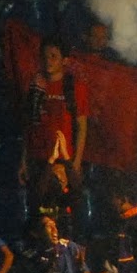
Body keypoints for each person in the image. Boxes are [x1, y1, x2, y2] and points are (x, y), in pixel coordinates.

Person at [20, 39, 88, 184]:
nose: (48, 61)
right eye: (45, 57)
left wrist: (75, 163)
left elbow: (82, 127)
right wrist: (24, 161)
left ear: (64, 60)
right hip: (38, 158)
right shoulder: (35, 87)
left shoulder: (75, 88)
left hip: (64, 161)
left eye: (53, 56)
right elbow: (28, 126)